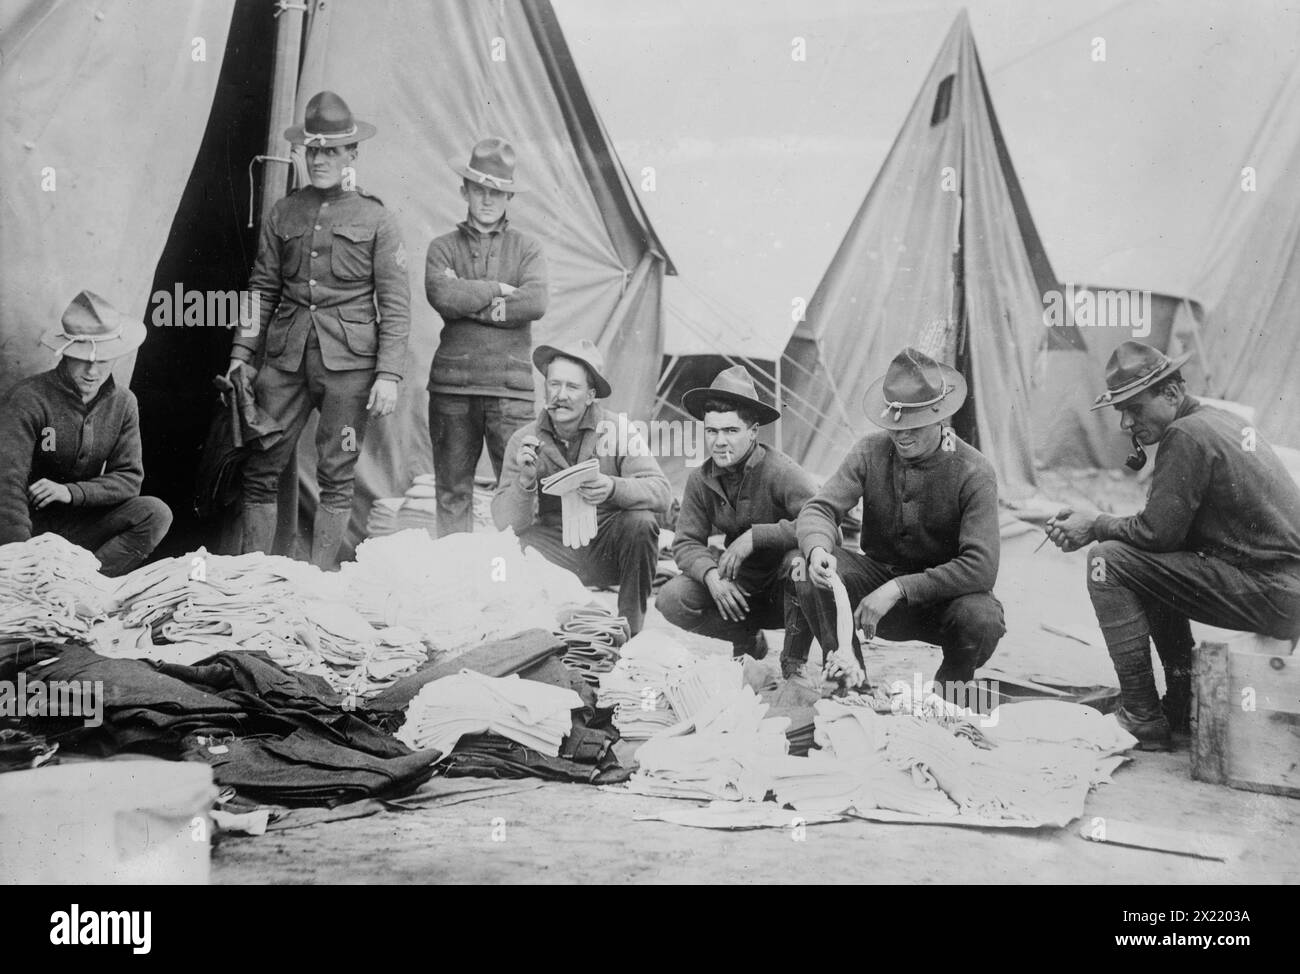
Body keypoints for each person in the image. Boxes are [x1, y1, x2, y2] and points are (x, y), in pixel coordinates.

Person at [1045, 340, 1300, 749]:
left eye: (1135, 408)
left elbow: (1156, 534)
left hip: (1276, 592)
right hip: (1282, 588)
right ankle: (1180, 702)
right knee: (1144, 565)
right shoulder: (1219, 421)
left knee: (1108, 562)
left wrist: (1095, 526)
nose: (1127, 424)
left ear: (1171, 393)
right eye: (1121, 412)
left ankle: (1142, 714)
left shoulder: (1185, 434)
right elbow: (1165, 535)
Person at [228, 91, 410, 570]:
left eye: (332, 151)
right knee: (260, 465)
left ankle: (321, 582)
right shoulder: (283, 212)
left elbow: (395, 303)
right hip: (284, 360)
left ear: (352, 154)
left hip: (350, 368)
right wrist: (242, 352)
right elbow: (261, 289)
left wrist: (389, 373)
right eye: (314, 150)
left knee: (337, 471)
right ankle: (251, 581)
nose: (321, 160)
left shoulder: (377, 218)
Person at [787, 347, 1004, 694]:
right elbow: (819, 509)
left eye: (914, 425)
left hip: (941, 602)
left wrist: (900, 588)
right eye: (893, 425)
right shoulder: (869, 451)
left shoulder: (974, 471)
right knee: (806, 568)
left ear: (940, 417)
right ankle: (850, 684)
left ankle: (949, 692)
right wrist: (817, 551)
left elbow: (981, 567)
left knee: (981, 617)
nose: (902, 435)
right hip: (874, 589)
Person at [493, 339, 669, 634]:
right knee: (504, 552)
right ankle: (531, 633)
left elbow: (661, 492)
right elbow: (504, 523)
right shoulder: (523, 440)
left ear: (590, 396)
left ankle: (630, 631)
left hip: (606, 550)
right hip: (555, 552)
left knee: (641, 523)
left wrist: (612, 487)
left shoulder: (619, 431)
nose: (560, 396)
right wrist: (524, 482)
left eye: (572, 387)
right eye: (554, 384)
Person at [426, 137, 549, 536]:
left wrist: (470, 301)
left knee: (518, 489)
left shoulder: (527, 249)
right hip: (452, 387)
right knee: (451, 493)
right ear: (465, 189)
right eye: (480, 188)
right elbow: (443, 296)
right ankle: (454, 587)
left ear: (508, 196)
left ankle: (514, 587)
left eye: (496, 191)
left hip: (509, 389)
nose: (487, 199)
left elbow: (534, 303)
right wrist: (498, 288)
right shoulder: (442, 247)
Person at [0, 290, 172, 575]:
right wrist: (22, 561)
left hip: (77, 526)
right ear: (65, 353)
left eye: (103, 360)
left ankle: (85, 584)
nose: (92, 371)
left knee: (155, 513)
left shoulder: (124, 403)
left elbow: (129, 479)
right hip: (26, 527)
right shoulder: (29, 398)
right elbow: (7, 484)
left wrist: (72, 492)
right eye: (82, 358)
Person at [657, 365, 816, 661]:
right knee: (671, 598)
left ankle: (795, 661)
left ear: (753, 432)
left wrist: (756, 537)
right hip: (738, 587)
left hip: (784, 589)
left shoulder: (782, 472)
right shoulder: (700, 479)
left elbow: (825, 525)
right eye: (712, 431)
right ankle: (745, 638)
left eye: (731, 430)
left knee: (800, 563)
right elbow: (685, 543)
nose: (720, 441)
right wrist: (712, 576)